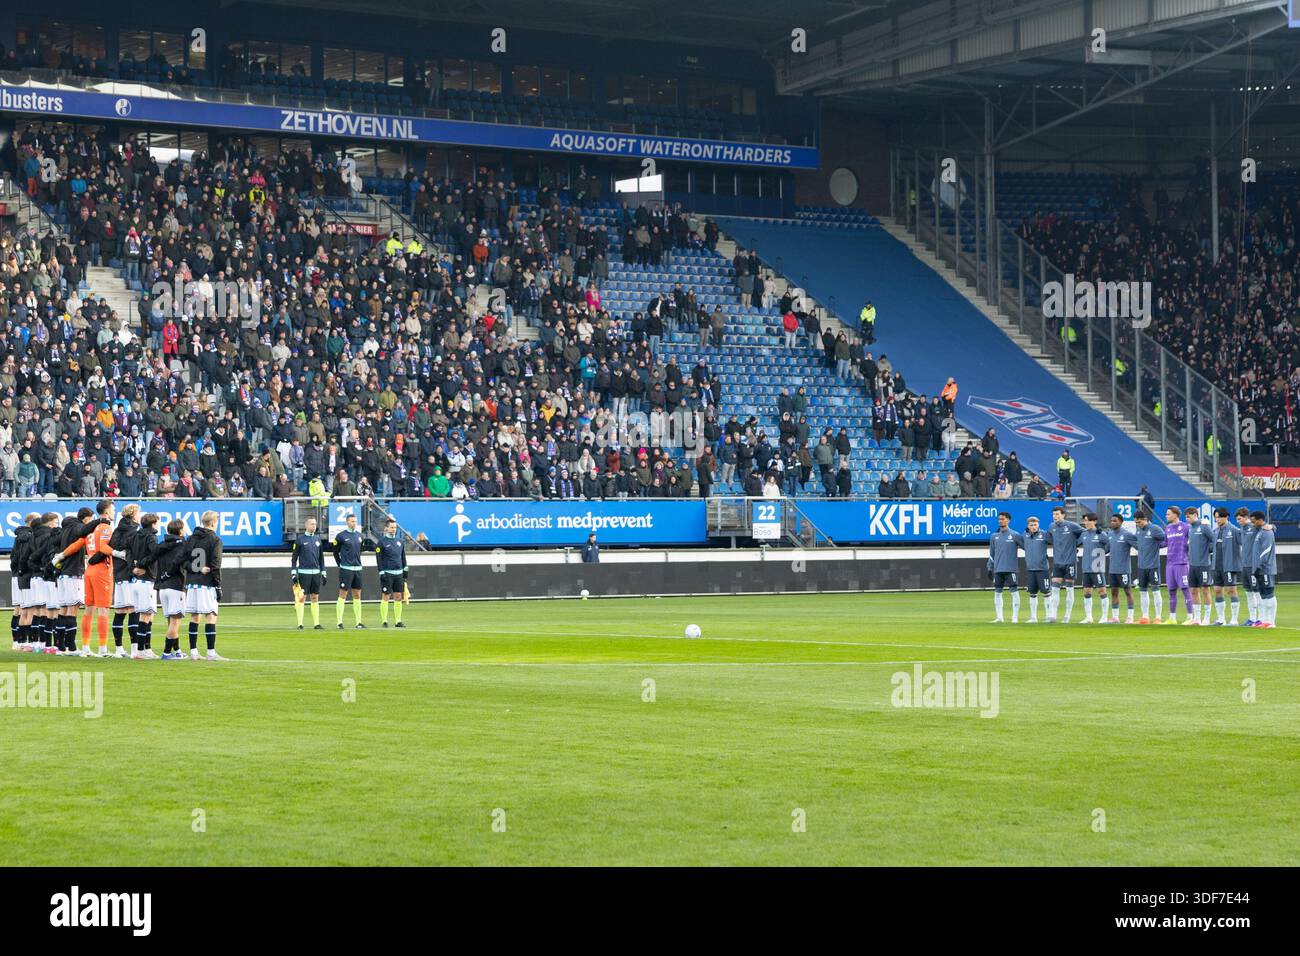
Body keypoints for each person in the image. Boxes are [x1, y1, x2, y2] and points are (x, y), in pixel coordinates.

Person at [182, 510, 226, 661]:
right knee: (211, 616)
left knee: (194, 617)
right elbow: (216, 565)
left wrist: (197, 568)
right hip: (207, 584)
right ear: (213, 522)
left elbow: (184, 561)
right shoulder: (215, 540)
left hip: (192, 583)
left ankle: (193, 652)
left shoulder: (191, 538)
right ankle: (211, 653)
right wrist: (218, 586)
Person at [79, 500, 118, 656]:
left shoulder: (91, 528)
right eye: (113, 510)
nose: (115, 512)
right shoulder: (106, 528)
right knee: (103, 610)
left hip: (89, 570)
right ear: (107, 511)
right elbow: (103, 548)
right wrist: (118, 553)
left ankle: (85, 647)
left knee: (88, 609)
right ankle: (103, 648)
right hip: (102, 571)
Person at [153, 519, 190, 659]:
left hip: (163, 587)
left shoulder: (162, 544)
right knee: (175, 622)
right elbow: (179, 563)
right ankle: (167, 652)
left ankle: (177, 650)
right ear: (180, 531)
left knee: (171, 621)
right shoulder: (183, 545)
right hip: (175, 585)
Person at [109, 503, 142, 656]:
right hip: (130, 574)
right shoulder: (135, 530)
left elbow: (112, 547)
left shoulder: (116, 530)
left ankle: (119, 649)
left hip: (118, 574)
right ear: (133, 514)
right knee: (133, 611)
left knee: (120, 611)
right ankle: (135, 650)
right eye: (139, 512)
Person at [129, 513, 162, 658]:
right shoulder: (151, 537)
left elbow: (128, 552)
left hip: (137, 581)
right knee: (145, 615)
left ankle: (147, 649)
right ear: (153, 524)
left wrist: (133, 566)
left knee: (148, 615)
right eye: (158, 522)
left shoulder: (135, 535)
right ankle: (141, 651)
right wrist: (141, 564)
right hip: (146, 581)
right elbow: (155, 553)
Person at [1046, 506, 1083, 623]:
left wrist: (1076, 544)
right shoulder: (1052, 527)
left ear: (1063, 515)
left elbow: (1085, 533)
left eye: (1057, 514)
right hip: (1057, 562)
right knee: (1055, 589)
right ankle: (1053, 615)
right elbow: (1050, 539)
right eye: (1053, 514)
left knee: (1069, 589)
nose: (1055, 516)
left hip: (1070, 562)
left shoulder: (1072, 526)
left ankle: (1067, 616)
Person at [9, 513, 39, 650]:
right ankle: (25, 641)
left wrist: (16, 570)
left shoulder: (18, 536)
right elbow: (25, 557)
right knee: (28, 609)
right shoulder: (29, 537)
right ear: (32, 522)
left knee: (18, 610)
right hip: (26, 575)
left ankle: (17, 642)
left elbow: (13, 557)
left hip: (16, 575)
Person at [291, 516, 327, 630]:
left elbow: (321, 558)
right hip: (303, 573)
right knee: (302, 598)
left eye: (315, 524)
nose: (314, 526)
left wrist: (323, 572)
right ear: (306, 525)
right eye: (312, 524)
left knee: (315, 597)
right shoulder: (300, 540)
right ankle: (300, 624)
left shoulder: (318, 539)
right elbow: (294, 558)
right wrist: (293, 573)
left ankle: (316, 623)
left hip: (316, 573)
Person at [987, 512, 1023, 624]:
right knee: (997, 593)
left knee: (1014, 592)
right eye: (999, 519)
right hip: (998, 570)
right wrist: (989, 567)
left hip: (1011, 569)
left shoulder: (1015, 535)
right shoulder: (994, 536)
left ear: (1008, 520)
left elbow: (1028, 547)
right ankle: (999, 617)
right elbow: (991, 554)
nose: (1000, 521)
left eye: (1002, 519)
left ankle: (1015, 617)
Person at [332, 512, 367, 629]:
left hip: (357, 568)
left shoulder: (359, 536)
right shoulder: (341, 536)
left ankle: (358, 622)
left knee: (357, 595)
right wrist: (340, 565)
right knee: (343, 594)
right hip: (346, 569)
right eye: (352, 521)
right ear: (347, 522)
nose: (354, 523)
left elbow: (360, 551)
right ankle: (339, 622)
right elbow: (335, 552)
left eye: (355, 521)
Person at [1132, 512, 1167, 624]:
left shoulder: (1155, 529)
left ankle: (1158, 617)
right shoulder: (1138, 530)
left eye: (1140, 522)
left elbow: (1166, 539)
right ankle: (1145, 617)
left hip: (1153, 566)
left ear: (1145, 519)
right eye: (1136, 522)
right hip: (1141, 566)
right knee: (1143, 591)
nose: (1138, 524)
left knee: (1156, 591)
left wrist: (1158, 546)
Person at [1103, 514, 1137, 624]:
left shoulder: (1127, 535)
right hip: (1113, 569)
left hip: (1124, 569)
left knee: (1128, 591)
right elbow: (1106, 549)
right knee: (1114, 592)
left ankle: (1130, 617)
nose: (1112, 522)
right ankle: (1115, 617)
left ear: (1121, 522)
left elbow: (1138, 546)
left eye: (1115, 521)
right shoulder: (1110, 534)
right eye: (1111, 520)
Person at [1161, 505, 1192, 625]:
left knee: (1185, 590)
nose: (1166, 516)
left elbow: (1192, 541)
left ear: (1175, 515)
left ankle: (1190, 617)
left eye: (1168, 514)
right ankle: (1172, 618)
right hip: (1170, 564)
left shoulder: (1186, 527)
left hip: (1182, 563)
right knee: (1171, 591)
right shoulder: (1167, 528)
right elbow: (1164, 543)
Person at [1185, 507, 1216, 626]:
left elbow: (1213, 540)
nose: (1186, 519)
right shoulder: (1190, 528)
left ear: (1195, 515)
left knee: (1205, 589)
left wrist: (1208, 551)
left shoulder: (1204, 526)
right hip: (1192, 564)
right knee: (1193, 590)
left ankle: (1206, 618)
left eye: (1188, 516)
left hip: (1204, 564)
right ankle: (1196, 618)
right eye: (1186, 516)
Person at [1211, 506, 1242, 626]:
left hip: (1229, 566)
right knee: (1217, 590)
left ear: (1226, 517)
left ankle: (1234, 619)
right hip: (1216, 565)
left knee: (1231, 590)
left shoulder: (1234, 530)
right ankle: (1221, 619)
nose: (1217, 520)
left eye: (1219, 517)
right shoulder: (1215, 531)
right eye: (1216, 518)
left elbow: (1244, 540)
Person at [376, 518, 408, 629]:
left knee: (398, 596)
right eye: (392, 527)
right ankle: (384, 620)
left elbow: (403, 556)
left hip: (398, 573)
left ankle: (398, 621)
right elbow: (378, 559)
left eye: (395, 527)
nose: (393, 529)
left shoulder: (400, 541)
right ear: (386, 528)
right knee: (386, 596)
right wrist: (381, 572)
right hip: (387, 573)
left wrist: (405, 569)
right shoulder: (381, 542)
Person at [1078, 512, 1109, 624]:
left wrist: (1101, 554)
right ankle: (1089, 617)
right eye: (1085, 521)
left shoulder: (1101, 534)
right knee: (1087, 592)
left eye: (1089, 521)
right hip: (1086, 567)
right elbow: (1076, 544)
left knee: (1101, 591)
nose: (1086, 523)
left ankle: (1104, 617)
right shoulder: (1084, 534)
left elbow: (1109, 545)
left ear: (1094, 522)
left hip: (1097, 567)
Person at [1249, 511, 1278, 628]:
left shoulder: (1266, 532)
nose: (1252, 524)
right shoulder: (1259, 531)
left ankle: (1271, 621)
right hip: (1259, 569)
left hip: (1266, 569)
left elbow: (1266, 551)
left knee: (1269, 593)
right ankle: (1265, 620)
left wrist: (1259, 566)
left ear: (1260, 520)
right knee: (1263, 594)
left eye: (1254, 521)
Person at [1021, 516, 1050, 623]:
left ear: (1039, 525)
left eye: (1036, 525)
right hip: (1030, 569)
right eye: (1032, 525)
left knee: (1046, 592)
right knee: (1032, 593)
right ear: (1028, 525)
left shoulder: (1044, 534)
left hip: (1042, 569)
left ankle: (1048, 616)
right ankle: (1033, 617)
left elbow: (1057, 542)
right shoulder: (1024, 535)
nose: (1034, 527)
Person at [1236, 507, 1259, 626]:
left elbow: (1267, 528)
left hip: (1253, 565)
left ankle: (1260, 618)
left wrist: (1272, 527)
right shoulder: (1241, 529)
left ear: (1246, 517)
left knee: (1257, 592)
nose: (1238, 521)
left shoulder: (1254, 527)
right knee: (1248, 593)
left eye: (1240, 519)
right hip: (1244, 565)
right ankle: (1252, 618)